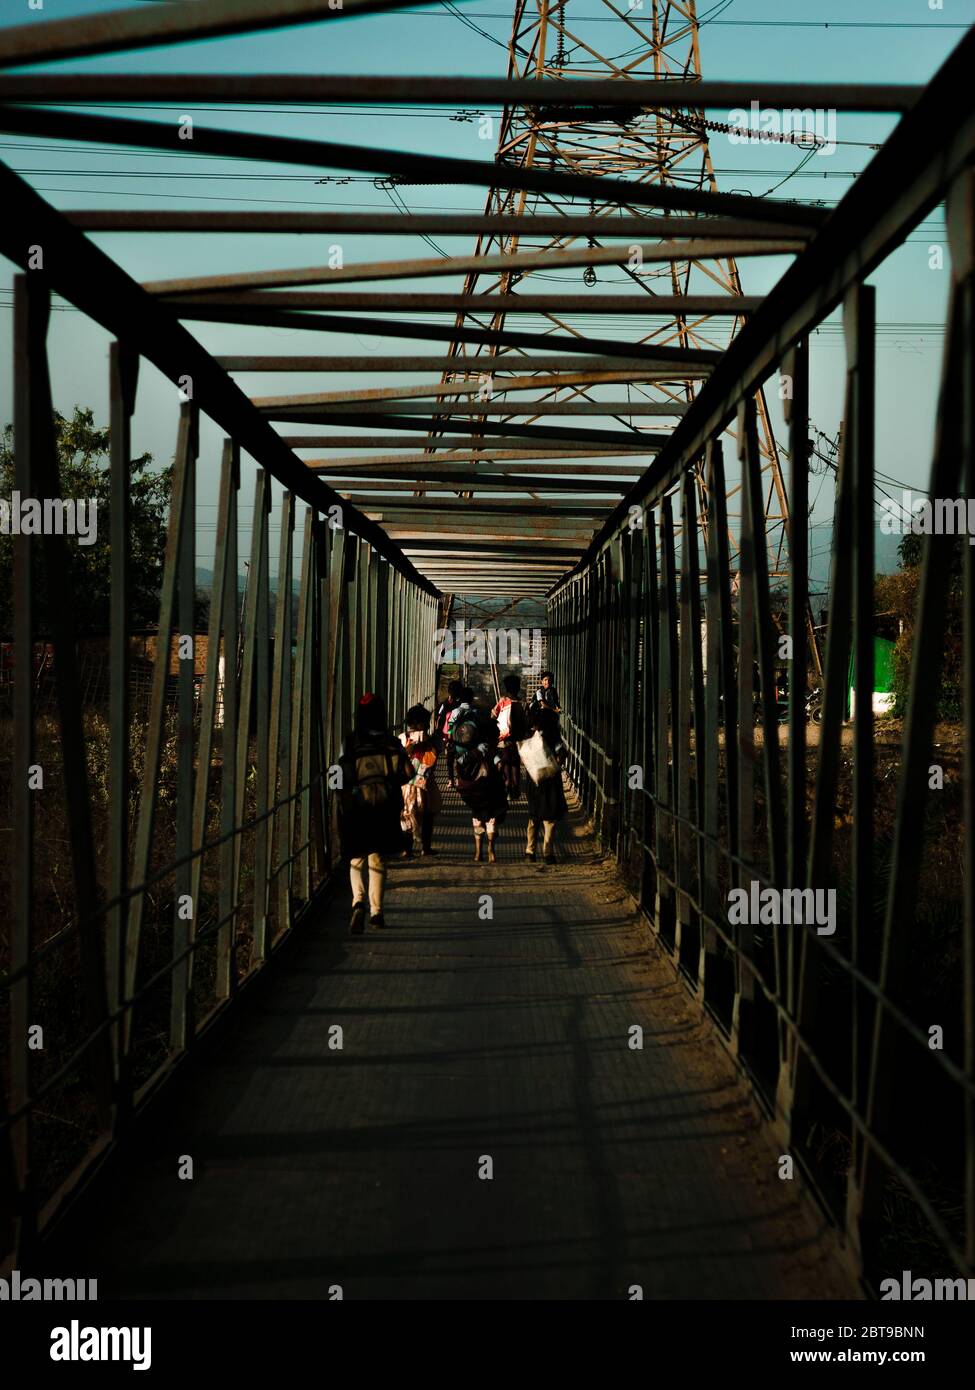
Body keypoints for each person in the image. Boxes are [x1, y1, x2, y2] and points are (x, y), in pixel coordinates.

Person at [339, 692, 413, 934]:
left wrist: (343, 795)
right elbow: (408, 772)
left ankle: (357, 901)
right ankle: (377, 912)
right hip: (384, 807)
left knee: (355, 858)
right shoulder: (391, 743)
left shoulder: (350, 743)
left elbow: (338, 775)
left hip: (358, 807)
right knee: (377, 857)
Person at [450, 701, 508, 863]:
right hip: (491, 788)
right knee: (492, 818)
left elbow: (459, 762)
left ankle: (477, 853)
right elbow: (499, 763)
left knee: (477, 818)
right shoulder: (489, 748)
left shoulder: (471, 749)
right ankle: (491, 850)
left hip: (474, 791)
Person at [522, 700, 568, 864]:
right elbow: (561, 753)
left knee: (533, 816)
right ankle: (547, 853)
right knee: (550, 818)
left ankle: (530, 851)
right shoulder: (553, 737)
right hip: (550, 780)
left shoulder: (530, 736)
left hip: (534, 780)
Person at [399, 703, 442, 857]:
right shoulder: (405, 739)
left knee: (407, 815)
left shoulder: (403, 738)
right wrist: (411, 747)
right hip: (418, 784)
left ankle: (408, 849)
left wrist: (427, 743)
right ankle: (424, 847)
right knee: (424, 815)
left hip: (410, 785)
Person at [492, 673, 530, 798]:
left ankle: (508, 784)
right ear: (518, 688)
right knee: (516, 763)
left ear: (506, 688)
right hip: (518, 739)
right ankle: (516, 787)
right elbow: (527, 723)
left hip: (504, 739)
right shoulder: (523, 704)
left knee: (506, 761)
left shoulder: (502, 702)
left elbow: (493, 715)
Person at [434, 679, 464, 748]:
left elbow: (439, 718)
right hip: (452, 733)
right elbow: (440, 719)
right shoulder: (458, 705)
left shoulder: (445, 704)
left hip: (448, 733)